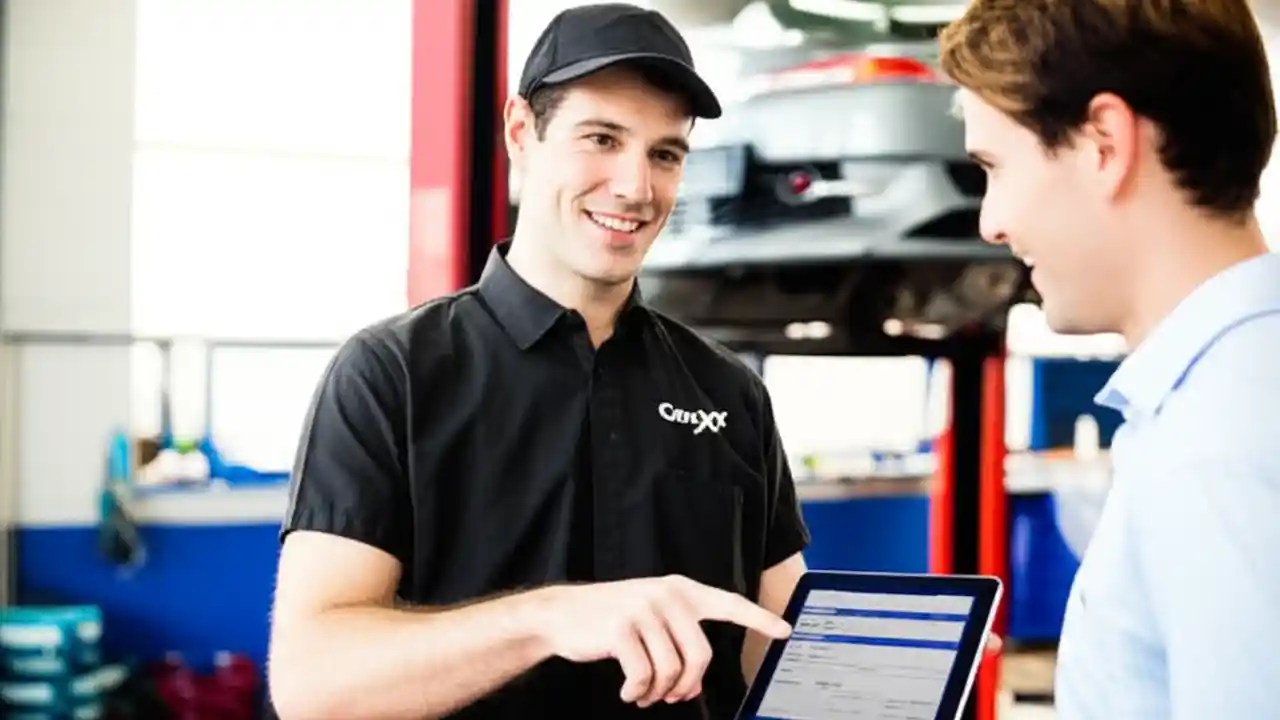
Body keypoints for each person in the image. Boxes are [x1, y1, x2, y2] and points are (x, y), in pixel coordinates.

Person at [265, 4, 811, 719]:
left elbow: (780, 653)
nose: (635, 186)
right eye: (601, 139)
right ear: (521, 132)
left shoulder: (727, 391)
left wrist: (895, 678)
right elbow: (314, 684)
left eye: (664, 153)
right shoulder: (392, 375)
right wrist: (548, 619)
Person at [939, 1, 1280, 717]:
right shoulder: (1221, 399)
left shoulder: (1220, 445)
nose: (991, 222)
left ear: (1104, 143)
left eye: (996, 168)